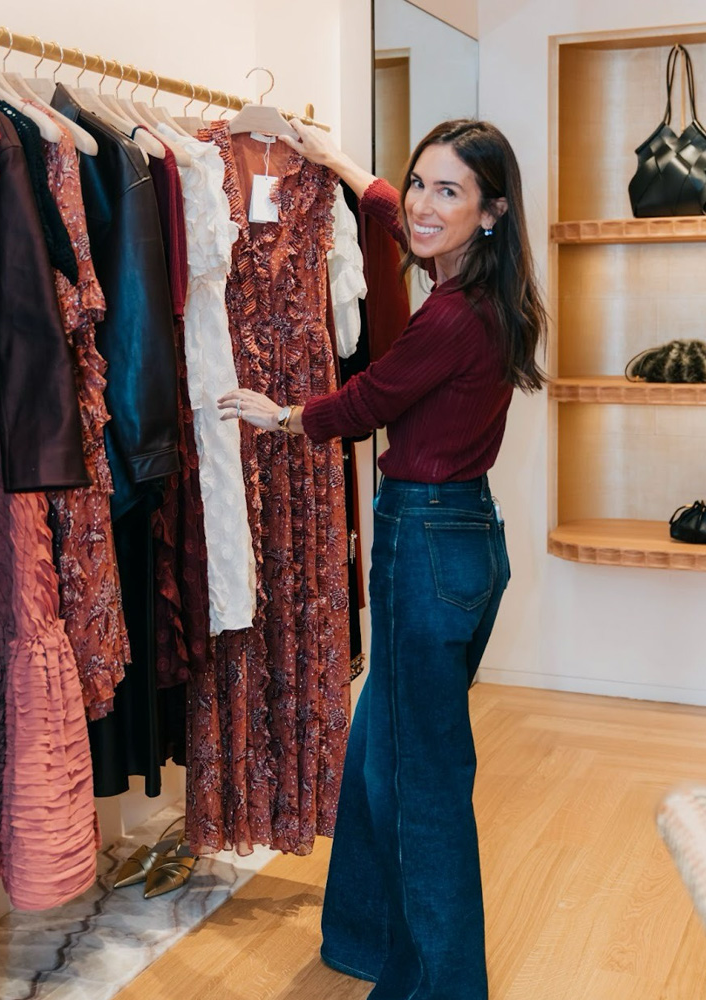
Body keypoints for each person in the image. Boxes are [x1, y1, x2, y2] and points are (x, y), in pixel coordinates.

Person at [217, 118, 546, 1000]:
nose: (426, 207)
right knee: (379, 752)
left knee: (419, 778)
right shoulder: (485, 289)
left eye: (452, 191)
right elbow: (391, 211)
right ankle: (364, 938)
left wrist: (281, 415)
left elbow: (370, 399)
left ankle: (440, 985)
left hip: (426, 542)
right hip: (463, 538)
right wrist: (326, 156)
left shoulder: (452, 313)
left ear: (492, 211)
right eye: (422, 184)